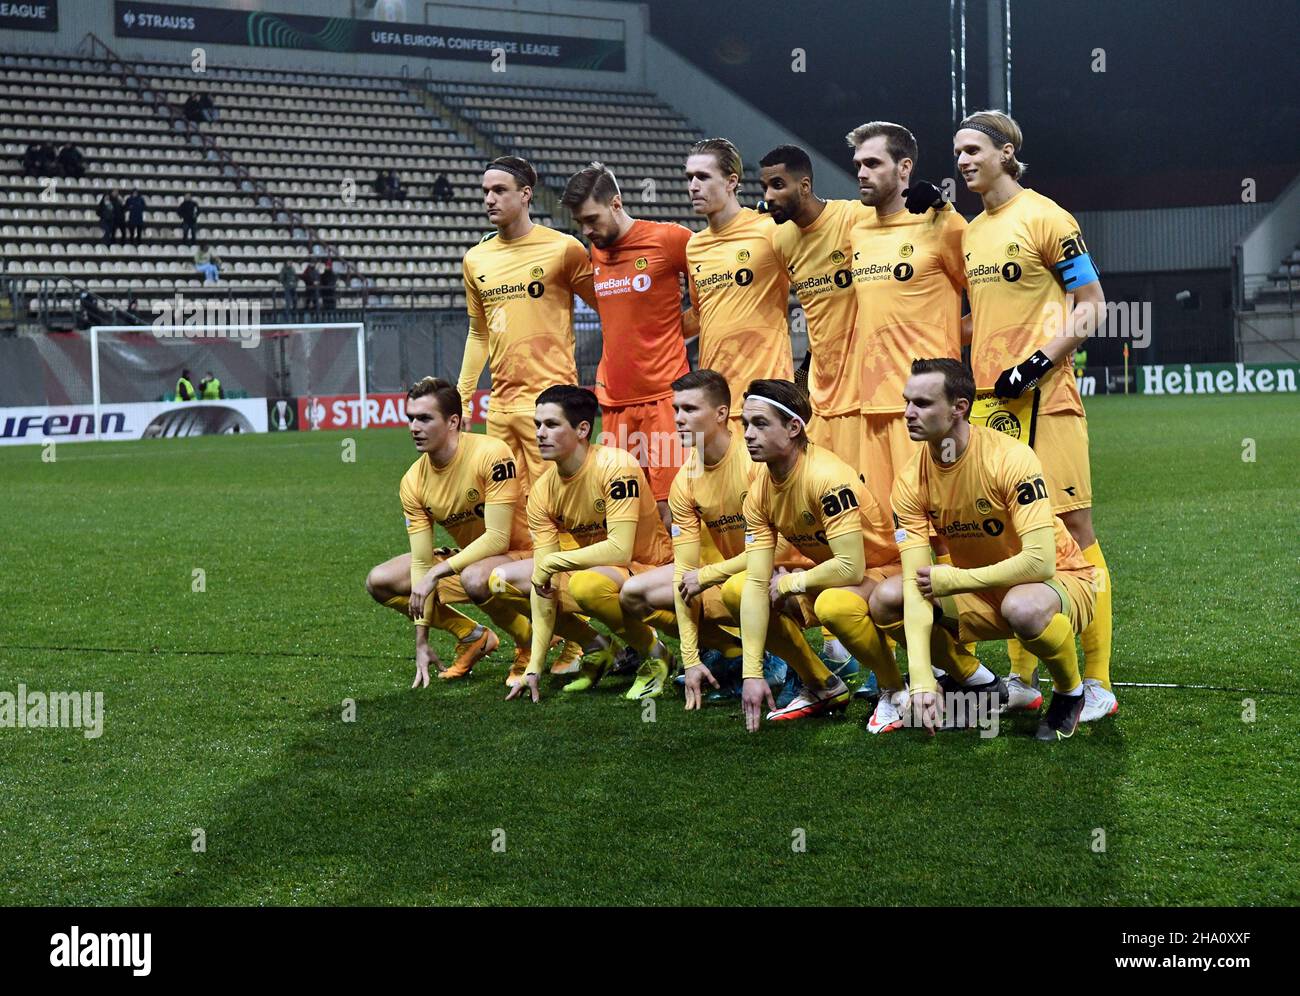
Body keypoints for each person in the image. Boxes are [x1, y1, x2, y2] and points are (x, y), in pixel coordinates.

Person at [955, 109, 1116, 722]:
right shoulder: (972, 232)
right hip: (995, 408)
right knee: (1018, 537)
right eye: (958, 152)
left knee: (1074, 534)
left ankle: (1097, 683)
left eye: (974, 149)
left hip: (1047, 402)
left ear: (1006, 151)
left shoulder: (1048, 217)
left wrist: (1038, 363)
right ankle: (1024, 678)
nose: (964, 160)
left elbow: (1093, 304)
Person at [873, 358, 1098, 741]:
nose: (908, 413)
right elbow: (914, 582)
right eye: (907, 401)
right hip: (981, 591)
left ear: (960, 407)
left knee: (1021, 607)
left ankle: (1069, 691)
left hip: (1059, 581)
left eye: (923, 404)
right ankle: (979, 682)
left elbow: (1040, 562)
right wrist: (923, 679)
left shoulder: (1010, 458)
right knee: (886, 599)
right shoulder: (911, 480)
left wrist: (958, 579)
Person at [723, 379, 921, 734]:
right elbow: (755, 578)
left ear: (794, 427)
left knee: (833, 604)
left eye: (761, 424)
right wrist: (751, 672)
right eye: (746, 425)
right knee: (738, 590)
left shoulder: (827, 476)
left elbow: (851, 566)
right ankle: (821, 684)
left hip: (884, 571)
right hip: (833, 576)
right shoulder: (759, 493)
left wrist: (790, 582)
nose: (749, 435)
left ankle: (894, 690)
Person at [619, 370, 820, 711]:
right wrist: (690, 656)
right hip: (733, 576)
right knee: (634, 594)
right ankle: (736, 655)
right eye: (677, 409)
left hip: (788, 574)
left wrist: (709, 575)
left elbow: (772, 555)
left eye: (690, 410)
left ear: (722, 414)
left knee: (751, 585)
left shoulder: (756, 460)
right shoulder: (687, 479)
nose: (679, 419)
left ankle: (806, 672)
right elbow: (684, 570)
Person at [758, 143, 873, 688]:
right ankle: (832, 642)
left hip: (875, 398)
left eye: (777, 185)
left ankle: (896, 657)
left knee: (881, 528)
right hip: (823, 401)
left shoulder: (853, 218)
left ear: (804, 184)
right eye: (762, 187)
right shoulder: (782, 240)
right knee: (823, 525)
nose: (768, 197)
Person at [484, 385, 673, 703]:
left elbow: (619, 549)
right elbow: (542, 586)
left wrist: (554, 563)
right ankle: (597, 647)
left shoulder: (616, 466)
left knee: (586, 585)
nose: (540, 433)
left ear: (583, 429)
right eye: (538, 424)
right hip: (595, 570)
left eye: (552, 424)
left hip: (649, 569)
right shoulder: (543, 490)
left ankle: (656, 654)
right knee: (501, 581)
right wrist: (535, 667)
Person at [365, 377, 541, 685]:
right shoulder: (413, 481)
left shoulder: (491, 453)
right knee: (380, 581)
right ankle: (471, 636)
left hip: (527, 557)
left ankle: (528, 642)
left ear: (453, 421)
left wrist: (438, 573)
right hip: (475, 563)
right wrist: (421, 640)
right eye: (410, 418)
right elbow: (421, 564)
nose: (414, 427)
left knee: (475, 577)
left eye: (424, 418)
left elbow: (498, 538)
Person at [561, 161, 698, 532]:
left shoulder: (671, 239)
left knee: (672, 504)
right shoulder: (595, 249)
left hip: (664, 397)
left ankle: (679, 584)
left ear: (616, 203)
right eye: (581, 224)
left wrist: (672, 332)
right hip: (614, 400)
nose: (587, 230)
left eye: (592, 219)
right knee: (625, 508)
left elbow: (706, 304)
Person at [457, 155, 598, 502]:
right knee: (508, 510)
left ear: (525, 194)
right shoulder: (476, 259)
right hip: (500, 408)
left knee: (559, 505)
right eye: (486, 191)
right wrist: (463, 398)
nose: (490, 199)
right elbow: (479, 334)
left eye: (500, 190)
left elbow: (608, 308)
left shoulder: (563, 249)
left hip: (550, 405)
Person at [685, 138, 793, 422]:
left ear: (732, 181)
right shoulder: (694, 246)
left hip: (765, 395)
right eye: (689, 177)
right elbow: (700, 314)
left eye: (703, 177)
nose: (693, 186)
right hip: (715, 397)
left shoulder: (770, 229)